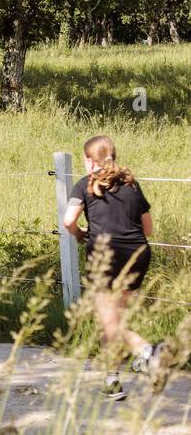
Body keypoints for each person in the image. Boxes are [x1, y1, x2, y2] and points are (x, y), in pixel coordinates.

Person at [62, 135, 171, 399]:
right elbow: (148, 229)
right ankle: (111, 381)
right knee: (112, 321)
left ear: (89, 160)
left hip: (105, 257)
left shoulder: (84, 185)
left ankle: (147, 351)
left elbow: (68, 221)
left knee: (108, 322)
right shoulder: (132, 185)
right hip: (137, 253)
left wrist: (79, 234)